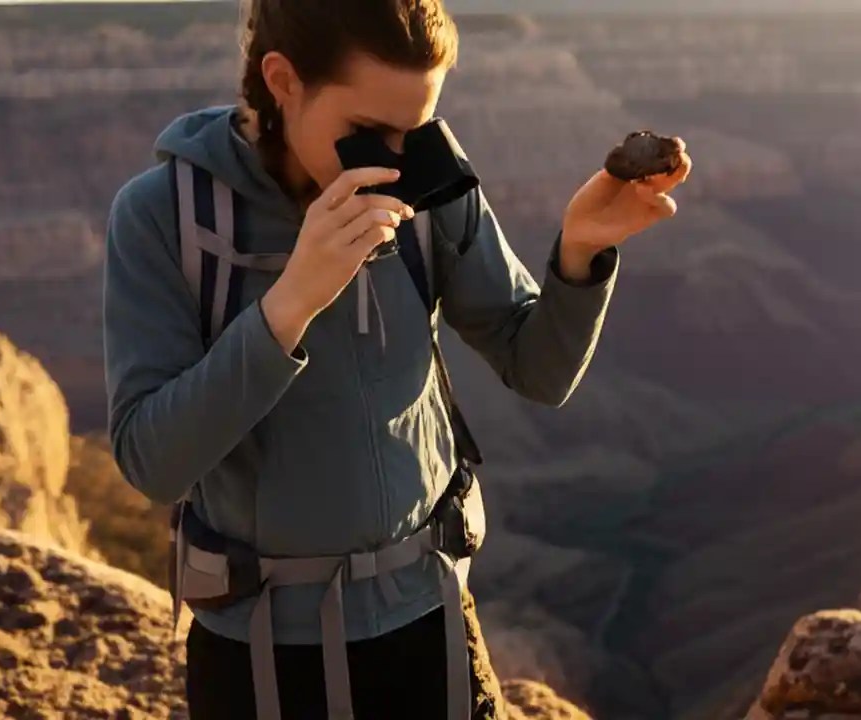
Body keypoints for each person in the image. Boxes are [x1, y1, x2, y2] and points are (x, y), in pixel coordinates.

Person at [101, 0, 691, 718]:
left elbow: (536, 370)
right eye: (366, 133)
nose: (395, 159)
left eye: (412, 130)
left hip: (428, 623)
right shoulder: (167, 214)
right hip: (262, 656)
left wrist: (580, 252)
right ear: (282, 81)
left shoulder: (425, 179)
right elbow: (151, 461)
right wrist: (291, 305)